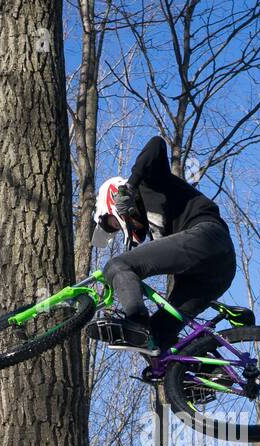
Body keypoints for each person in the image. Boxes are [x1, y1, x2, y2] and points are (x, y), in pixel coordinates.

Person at [87, 135, 236, 354]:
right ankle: (207, 374)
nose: (120, 229)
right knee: (156, 336)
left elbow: (157, 143)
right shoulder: (156, 233)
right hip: (212, 276)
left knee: (117, 265)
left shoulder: (151, 183)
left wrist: (132, 185)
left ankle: (136, 319)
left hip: (207, 235)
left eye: (113, 224)